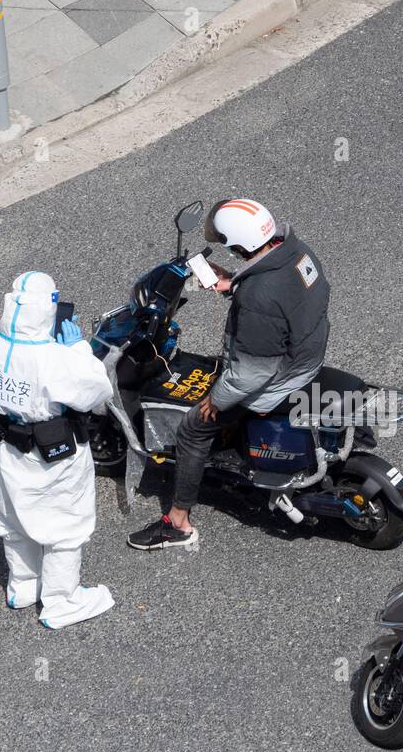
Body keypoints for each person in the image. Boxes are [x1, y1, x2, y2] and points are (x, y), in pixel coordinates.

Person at [128, 198, 330, 550]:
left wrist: (216, 401)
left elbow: (252, 372)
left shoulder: (259, 295)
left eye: (229, 243)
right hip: (306, 352)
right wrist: (234, 284)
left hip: (280, 377)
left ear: (239, 243)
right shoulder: (296, 252)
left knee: (194, 427)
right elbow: (280, 300)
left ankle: (177, 523)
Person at [0, 271, 116, 630]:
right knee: (65, 524)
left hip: (12, 448)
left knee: (14, 518)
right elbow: (96, 392)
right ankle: (62, 602)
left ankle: (23, 586)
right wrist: (77, 349)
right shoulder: (56, 358)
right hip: (56, 453)